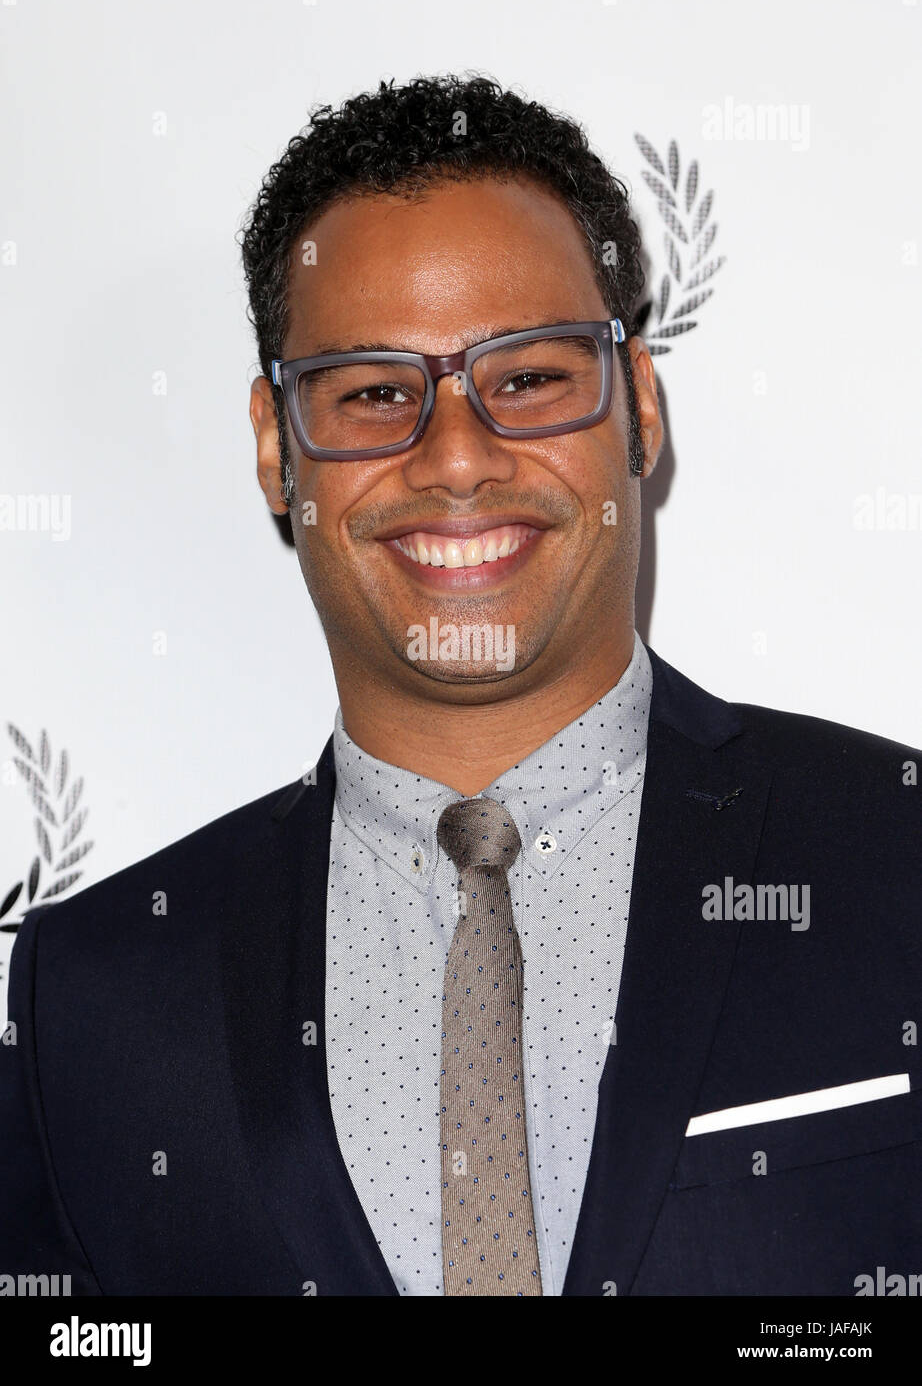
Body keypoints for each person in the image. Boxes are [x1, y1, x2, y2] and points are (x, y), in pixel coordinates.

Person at [2, 74, 919, 1298]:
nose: (455, 456)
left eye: (529, 377)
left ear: (636, 401)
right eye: (376, 391)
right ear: (279, 449)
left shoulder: (894, 853)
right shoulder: (93, 995)